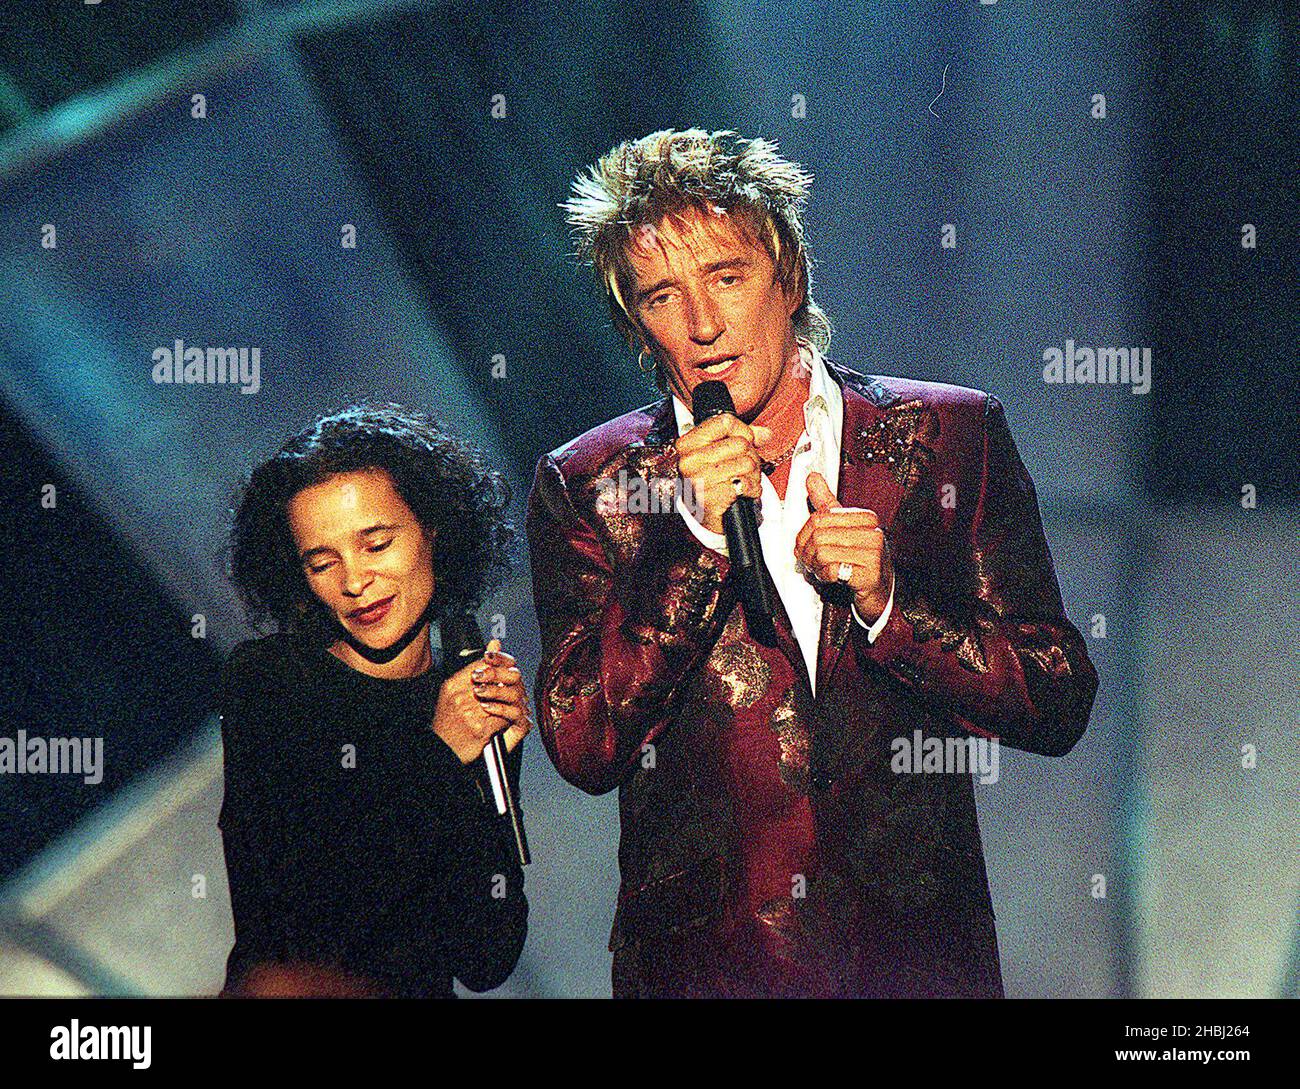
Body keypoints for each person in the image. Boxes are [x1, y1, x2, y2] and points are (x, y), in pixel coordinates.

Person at [527, 129, 1100, 997]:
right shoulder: (594, 484)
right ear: (638, 325)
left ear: (788, 276)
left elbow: (1056, 696)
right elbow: (582, 742)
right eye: (663, 296)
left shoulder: (951, 435)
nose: (705, 324)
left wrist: (891, 604)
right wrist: (697, 542)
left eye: (726, 276)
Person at [219, 403, 529, 997]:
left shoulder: (456, 700)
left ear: (434, 530)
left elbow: (486, 956)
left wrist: (495, 764)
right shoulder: (269, 684)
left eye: (376, 544)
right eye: (322, 561)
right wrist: (441, 755)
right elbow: (315, 927)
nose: (354, 582)